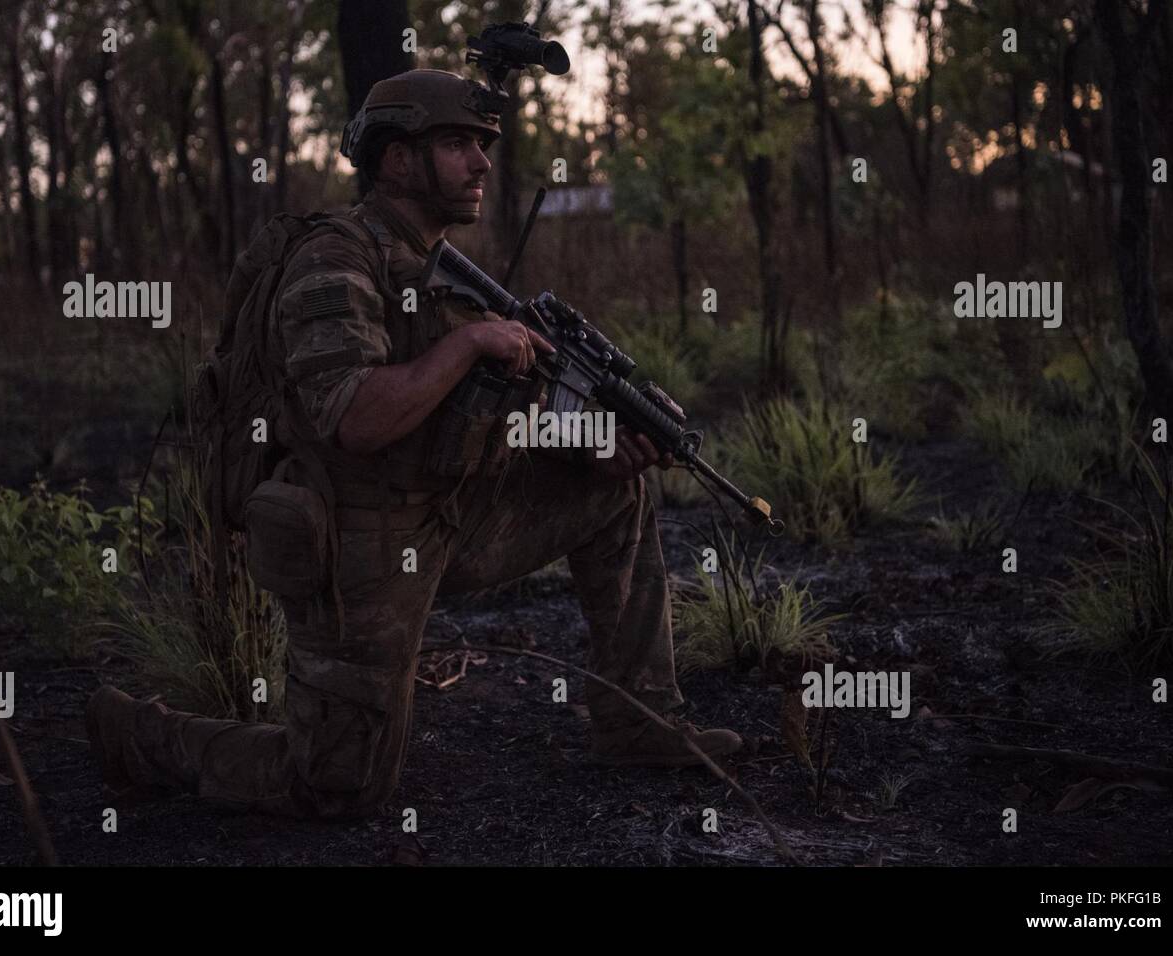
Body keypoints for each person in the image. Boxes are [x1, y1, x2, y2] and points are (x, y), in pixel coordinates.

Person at [87, 69, 742, 820]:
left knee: (613, 491)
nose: (482, 162)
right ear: (397, 160)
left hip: (447, 509)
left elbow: (490, 421)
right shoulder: (333, 260)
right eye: (459, 144)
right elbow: (353, 417)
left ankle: (639, 720)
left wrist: (594, 447)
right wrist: (466, 348)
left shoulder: (444, 276)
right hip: (354, 537)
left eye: (484, 145)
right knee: (338, 787)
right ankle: (140, 735)